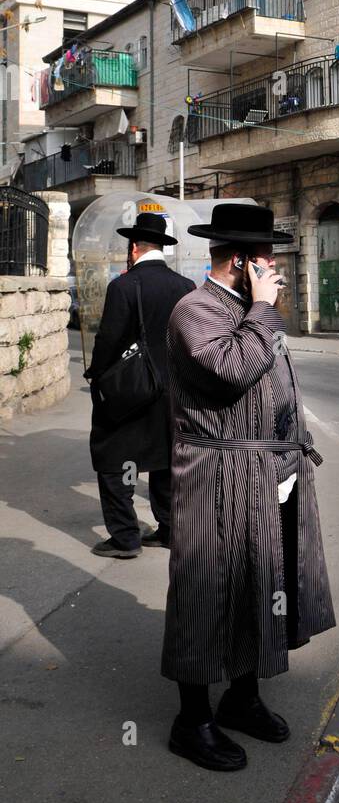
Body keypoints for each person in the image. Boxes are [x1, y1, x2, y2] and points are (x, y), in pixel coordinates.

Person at [161, 203, 336, 773]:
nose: (275, 268)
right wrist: (263, 309)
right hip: (214, 480)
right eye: (267, 259)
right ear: (240, 261)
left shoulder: (245, 307)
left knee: (257, 588)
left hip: (265, 476)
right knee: (205, 595)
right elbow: (232, 371)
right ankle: (192, 720)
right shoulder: (196, 310)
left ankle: (241, 696)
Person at [86, 211, 195, 558]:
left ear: (134, 248)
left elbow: (108, 340)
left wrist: (97, 377)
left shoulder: (123, 286)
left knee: (113, 459)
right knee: (165, 460)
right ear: (160, 247)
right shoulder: (185, 286)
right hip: (173, 392)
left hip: (132, 392)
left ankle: (125, 538)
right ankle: (168, 530)